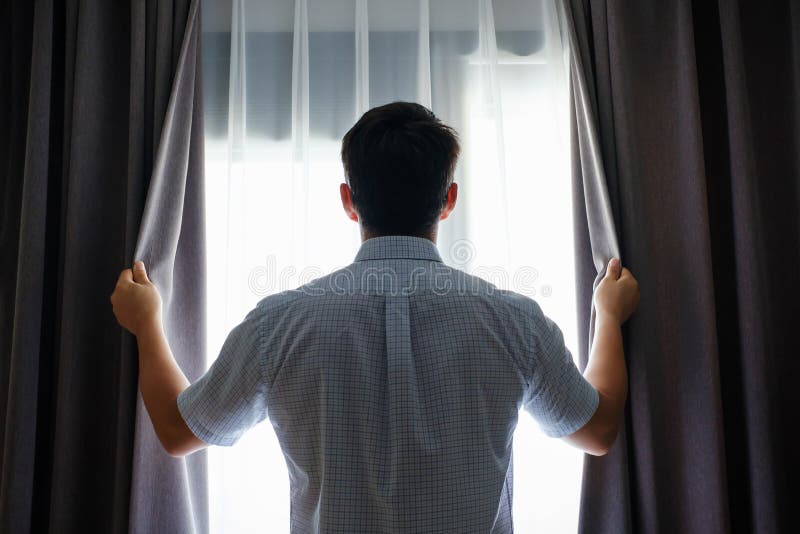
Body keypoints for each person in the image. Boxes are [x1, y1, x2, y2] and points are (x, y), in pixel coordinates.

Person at [111, 102, 639, 533]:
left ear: (349, 201)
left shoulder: (278, 325)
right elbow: (597, 430)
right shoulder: (515, 322)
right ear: (448, 200)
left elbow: (180, 431)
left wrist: (147, 323)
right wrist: (609, 316)